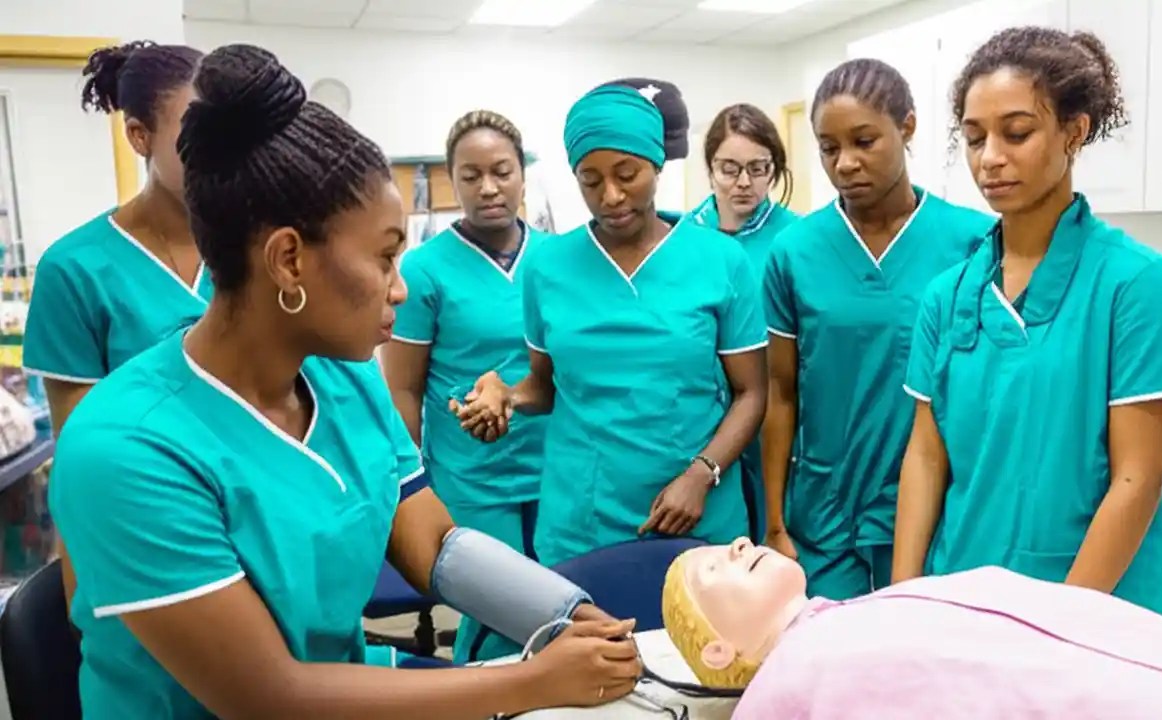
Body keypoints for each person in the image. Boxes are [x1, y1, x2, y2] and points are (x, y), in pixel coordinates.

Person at [49, 44, 641, 719]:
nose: (402, 285)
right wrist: (533, 680)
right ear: (289, 259)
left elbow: (434, 546)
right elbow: (268, 695)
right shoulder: (126, 449)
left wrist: (566, 613)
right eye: (386, 255)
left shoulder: (343, 377)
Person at [893, 27, 1162, 616]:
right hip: (960, 592)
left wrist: (1055, 628)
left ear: (1074, 132)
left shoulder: (1135, 284)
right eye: (975, 138)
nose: (990, 159)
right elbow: (926, 457)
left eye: (1017, 133)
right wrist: (904, 600)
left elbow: (1136, 482)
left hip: (1091, 609)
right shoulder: (947, 295)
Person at [454, 84, 768, 568]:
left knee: (711, 641)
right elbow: (545, 386)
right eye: (590, 180)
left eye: (628, 174)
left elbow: (751, 393)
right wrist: (506, 394)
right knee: (597, 639)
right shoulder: (550, 266)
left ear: (658, 165)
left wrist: (701, 474)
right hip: (585, 517)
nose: (612, 195)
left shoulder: (720, 259)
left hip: (697, 510)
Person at [760, 59, 992, 600]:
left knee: (924, 661)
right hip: (824, 505)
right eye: (828, 148)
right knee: (830, 657)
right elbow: (781, 392)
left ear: (906, 128)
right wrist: (774, 519)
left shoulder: (974, 242)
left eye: (865, 141)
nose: (845, 163)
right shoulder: (794, 252)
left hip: (936, 499)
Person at [660, 539, 1162, 718]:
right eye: (714, 568)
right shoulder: (795, 681)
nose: (738, 542)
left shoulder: (865, 610)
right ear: (720, 650)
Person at [21, 39, 209, 610]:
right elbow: (83, 453)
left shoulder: (255, 251)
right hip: (143, 532)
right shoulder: (76, 268)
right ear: (139, 135)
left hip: (254, 515)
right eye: (195, 130)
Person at [382, 109, 549, 663]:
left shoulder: (558, 258)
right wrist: (406, 489)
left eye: (501, 170)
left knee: (560, 605)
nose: (488, 187)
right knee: (494, 620)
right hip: (472, 477)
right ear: (452, 180)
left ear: (523, 173)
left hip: (557, 469)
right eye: (470, 175)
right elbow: (403, 389)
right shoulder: (425, 270)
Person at [688, 103, 799, 543]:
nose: (743, 182)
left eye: (758, 168)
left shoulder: (794, 238)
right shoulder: (682, 237)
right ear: (710, 168)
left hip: (775, 416)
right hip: (702, 423)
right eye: (729, 168)